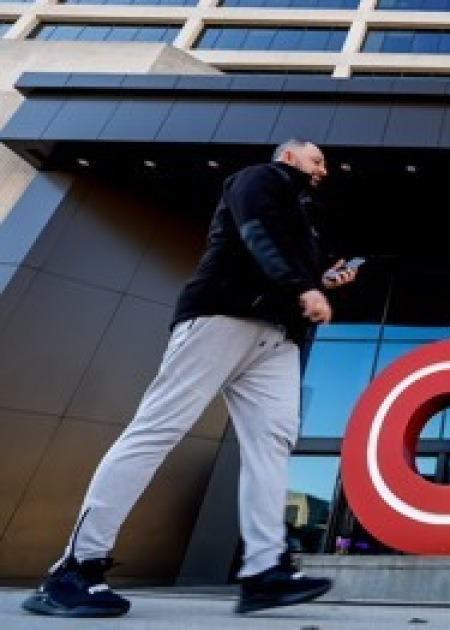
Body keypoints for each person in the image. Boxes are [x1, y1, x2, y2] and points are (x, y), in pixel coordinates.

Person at [21, 140, 358, 618]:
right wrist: (302, 284)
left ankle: (265, 571)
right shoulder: (260, 178)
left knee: (273, 441)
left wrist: (321, 281)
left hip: (277, 338)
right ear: (289, 157)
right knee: (157, 430)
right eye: (317, 160)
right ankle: (75, 567)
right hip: (221, 317)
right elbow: (254, 232)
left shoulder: (302, 214)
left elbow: (284, 264)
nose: (324, 169)